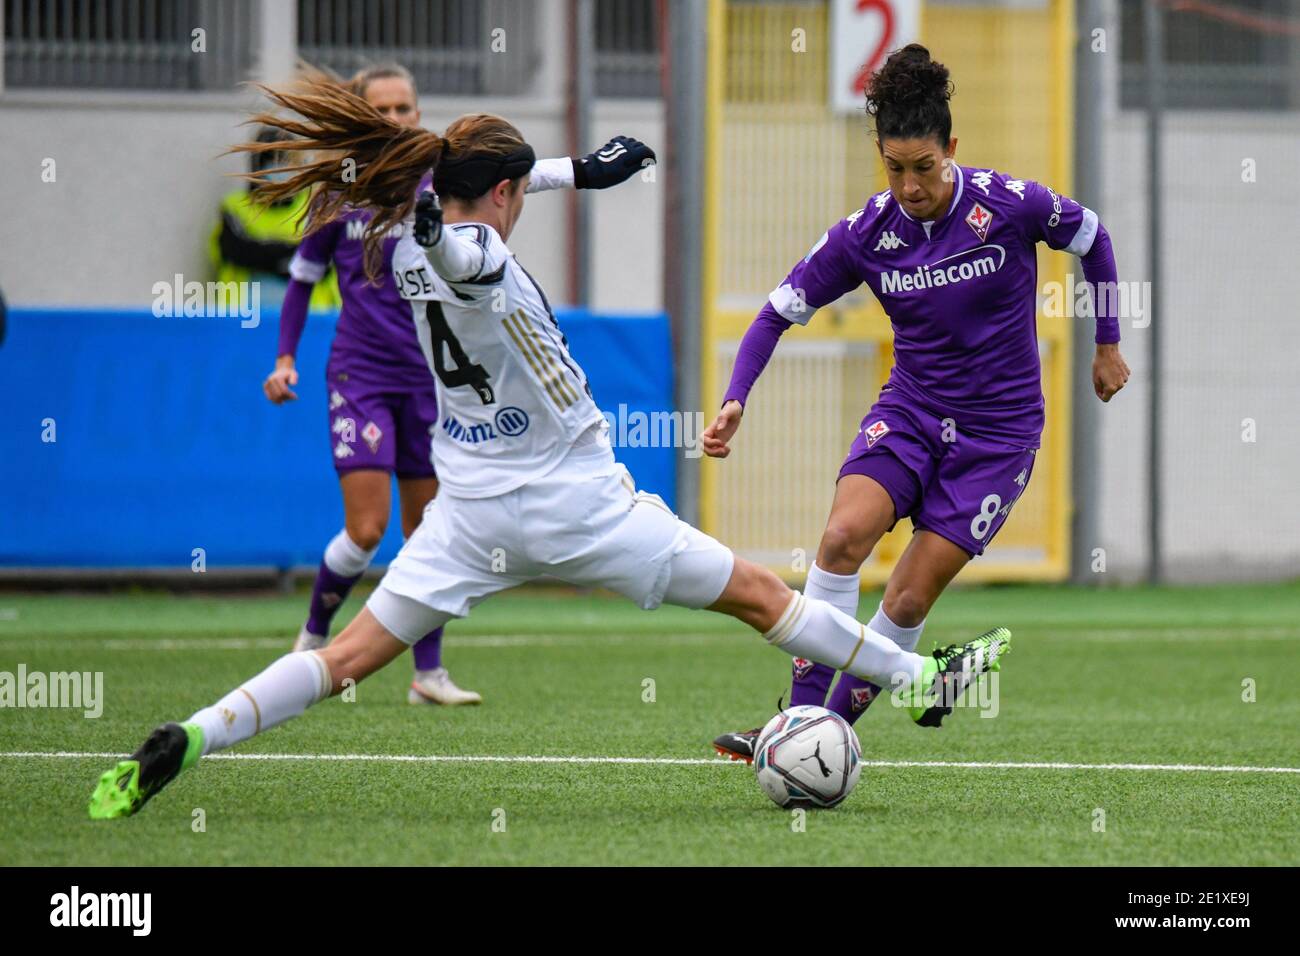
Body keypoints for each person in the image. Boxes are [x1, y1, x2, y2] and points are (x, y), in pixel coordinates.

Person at [88, 69, 1009, 819]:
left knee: (342, 661)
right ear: (497, 196)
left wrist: (572, 174)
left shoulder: (402, 242)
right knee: (762, 596)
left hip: (469, 514)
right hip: (581, 506)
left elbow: (461, 198)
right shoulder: (467, 249)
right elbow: (472, 253)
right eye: (522, 189)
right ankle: (921, 671)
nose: (525, 198)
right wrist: (467, 227)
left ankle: (196, 733)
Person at [705, 44, 1129, 763]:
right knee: (842, 540)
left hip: (999, 435)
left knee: (904, 601)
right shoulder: (866, 233)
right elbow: (775, 313)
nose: (909, 185)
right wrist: (735, 397)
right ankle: (799, 726)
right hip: (911, 413)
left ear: (951, 150)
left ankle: (825, 739)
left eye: (923, 168)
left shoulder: (1008, 203)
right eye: (894, 167)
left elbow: (1093, 236)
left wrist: (1107, 342)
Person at [267, 63, 655, 706]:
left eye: (406, 108)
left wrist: (589, 169)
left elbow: (512, 173)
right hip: (360, 375)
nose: (397, 119)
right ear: (364, 116)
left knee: (431, 532)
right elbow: (303, 282)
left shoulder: (437, 181)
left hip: (433, 383)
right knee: (367, 530)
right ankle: (312, 637)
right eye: (383, 109)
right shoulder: (340, 193)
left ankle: (429, 674)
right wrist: (284, 359)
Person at [210, 125, 341, 312]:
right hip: (243, 322)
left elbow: (322, 261)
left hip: (307, 323)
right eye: (270, 161)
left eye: (285, 162)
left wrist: (264, 254)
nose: (279, 170)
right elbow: (236, 251)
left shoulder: (317, 209)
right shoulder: (236, 208)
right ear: (256, 167)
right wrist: (290, 257)